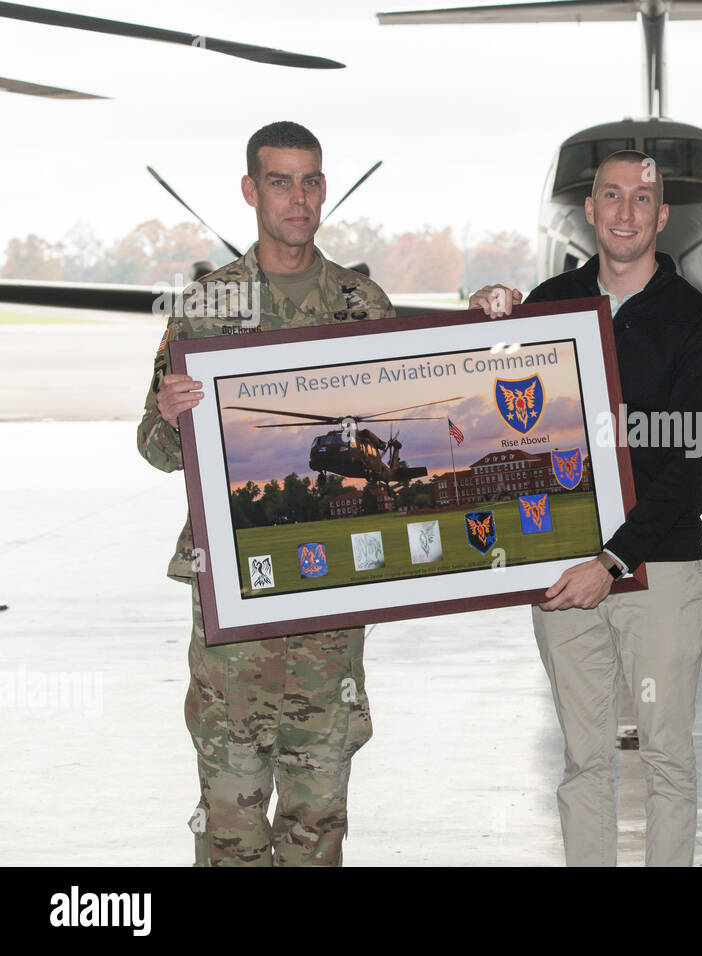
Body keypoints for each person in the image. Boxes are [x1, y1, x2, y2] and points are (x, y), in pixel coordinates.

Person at [137, 121, 395, 866]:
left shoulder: (362, 303)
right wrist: (168, 416)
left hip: (328, 610)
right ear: (251, 192)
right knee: (233, 827)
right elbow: (155, 452)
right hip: (236, 621)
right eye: (280, 181)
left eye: (311, 180)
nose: (298, 198)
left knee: (317, 827)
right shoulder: (206, 307)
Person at [469, 149, 702, 866]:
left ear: (661, 214)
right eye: (610, 197)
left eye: (639, 199)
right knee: (585, 763)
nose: (624, 212)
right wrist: (483, 320)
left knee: (668, 759)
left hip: (661, 570)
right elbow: (490, 401)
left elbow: (686, 468)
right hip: (561, 570)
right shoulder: (549, 304)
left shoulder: (698, 324)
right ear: (589, 210)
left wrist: (612, 561)